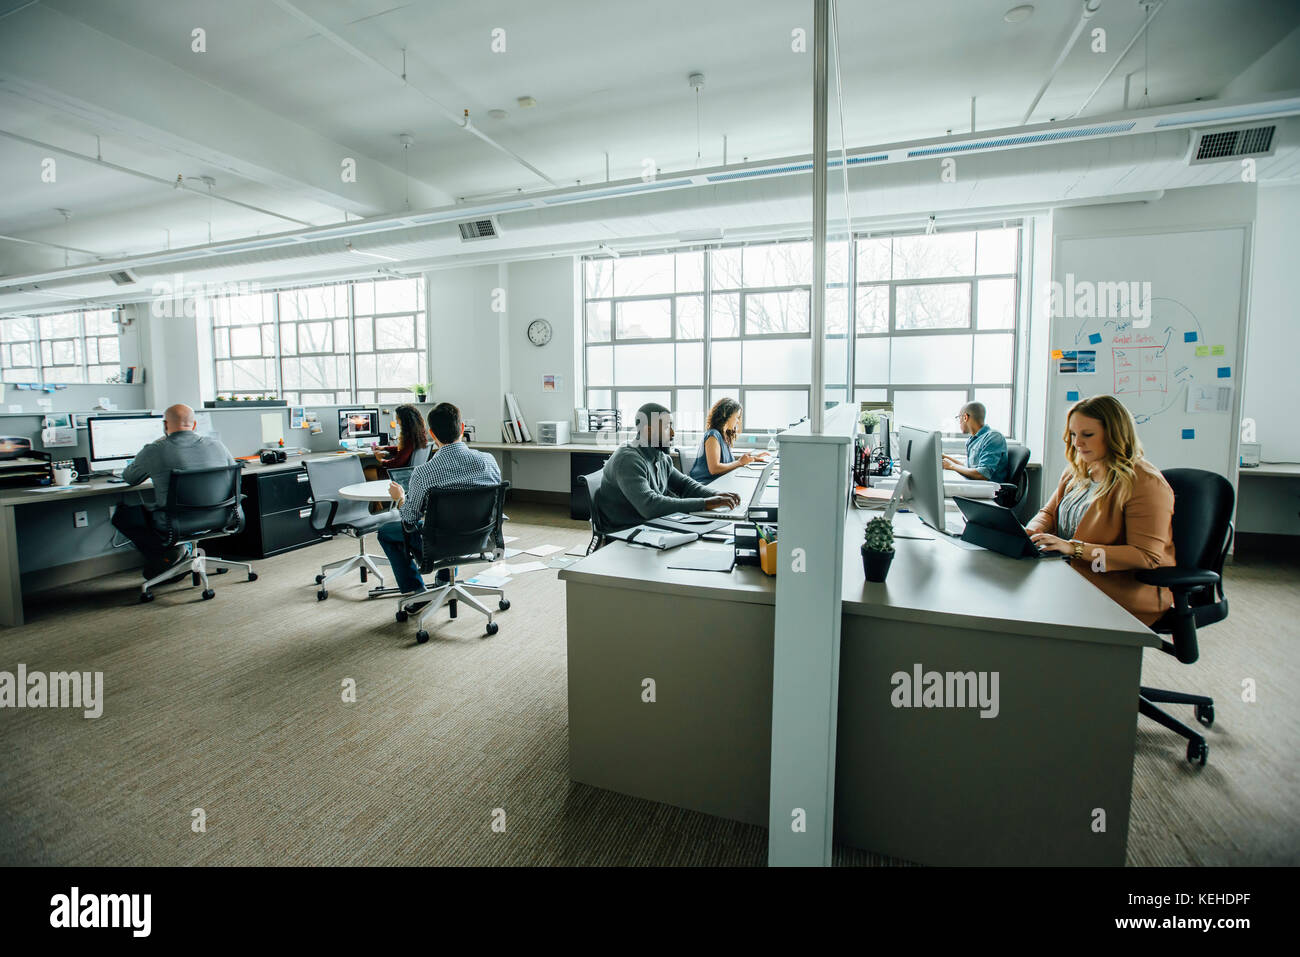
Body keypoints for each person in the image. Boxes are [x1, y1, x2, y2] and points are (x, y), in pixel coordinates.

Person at [1026, 395, 1175, 627]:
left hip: (1115, 590)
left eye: (1087, 435)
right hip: (1069, 576)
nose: (1077, 443)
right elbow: (1048, 513)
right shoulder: (1078, 470)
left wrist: (1074, 548)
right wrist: (1032, 529)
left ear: (1115, 434)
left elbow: (1146, 556)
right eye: (1073, 434)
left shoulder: (1145, 482)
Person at [379, 402, 501, 603]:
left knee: (386, 532)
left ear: (431, 434)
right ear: (462, 428)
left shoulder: (424, 473)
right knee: (452, 521)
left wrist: (400, 498)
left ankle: (415, 592)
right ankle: (444, 581)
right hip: (481, 537)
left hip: (439, 544)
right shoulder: (488, 461)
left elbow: (409, 518)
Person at [112, 403, 236, 578]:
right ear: (194, 425)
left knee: (123, 516)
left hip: (177, 522)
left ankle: (169, 554)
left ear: (164, 426)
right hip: (220, 516)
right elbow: (233, 475)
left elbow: (130, 478)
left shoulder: (156, 450)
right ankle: (175, 555)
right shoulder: (217, 445)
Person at [596, 402, 740, 532]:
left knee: (712, 530)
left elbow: (685, 485)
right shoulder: (628, 459)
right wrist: (705, 503)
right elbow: (650, 506)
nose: (672, 433)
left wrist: (716, 495)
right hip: (627, 531)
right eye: (666, 427)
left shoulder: (659, 455)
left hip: (649, 524)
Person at [689, 397, 768, 484]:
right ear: (726, 415)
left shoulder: (724, 436)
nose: (738, 421)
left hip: (719, 482)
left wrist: (752, 459)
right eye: (737, 417)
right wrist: (740, 462)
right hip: (705, 484)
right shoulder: (713, 435)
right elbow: (714, 469)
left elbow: (728, 463)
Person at [942, 401, 1010, 483]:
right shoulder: (974, 439)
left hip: (988, 491)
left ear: (965, 417)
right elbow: (967, 467)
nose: (959, 422)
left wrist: (952, 466)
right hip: (975, 486)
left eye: (958, 418)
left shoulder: (993, 437)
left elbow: (982, 474)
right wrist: (943, 456)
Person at [377, 403, 429, 471]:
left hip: (400, 473)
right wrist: (384, 448)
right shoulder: (418, 435)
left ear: (405, 421)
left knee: (368, 470)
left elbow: (397, 463)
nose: (397, 423)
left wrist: (381, 460)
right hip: (411, 472)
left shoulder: (409, 439)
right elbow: (404, 451)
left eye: (398, 419)